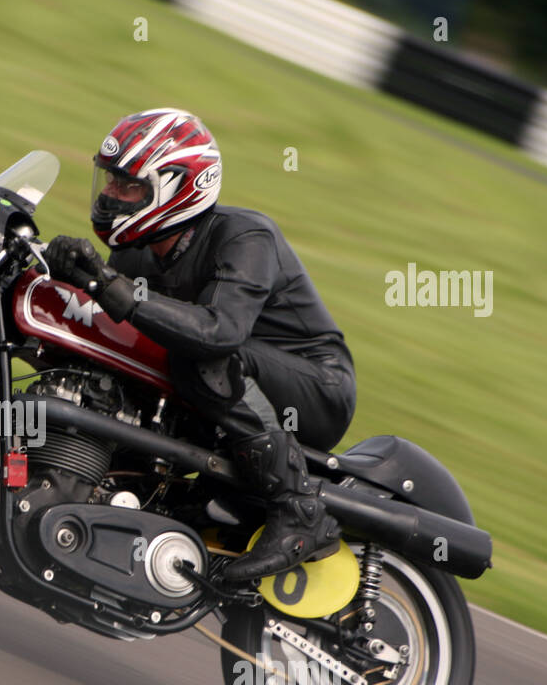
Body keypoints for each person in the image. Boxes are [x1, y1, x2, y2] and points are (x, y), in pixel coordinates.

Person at [43, 108, 357, 583]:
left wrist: (110, 287)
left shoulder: (246, 236)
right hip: (226, 387)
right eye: (109, 180)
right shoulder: (133, 252)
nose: (110, 195)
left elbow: (219, 331)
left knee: (203, 355)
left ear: (175, 188)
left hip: (315, 390)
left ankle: (299, 508)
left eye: (128, 186)